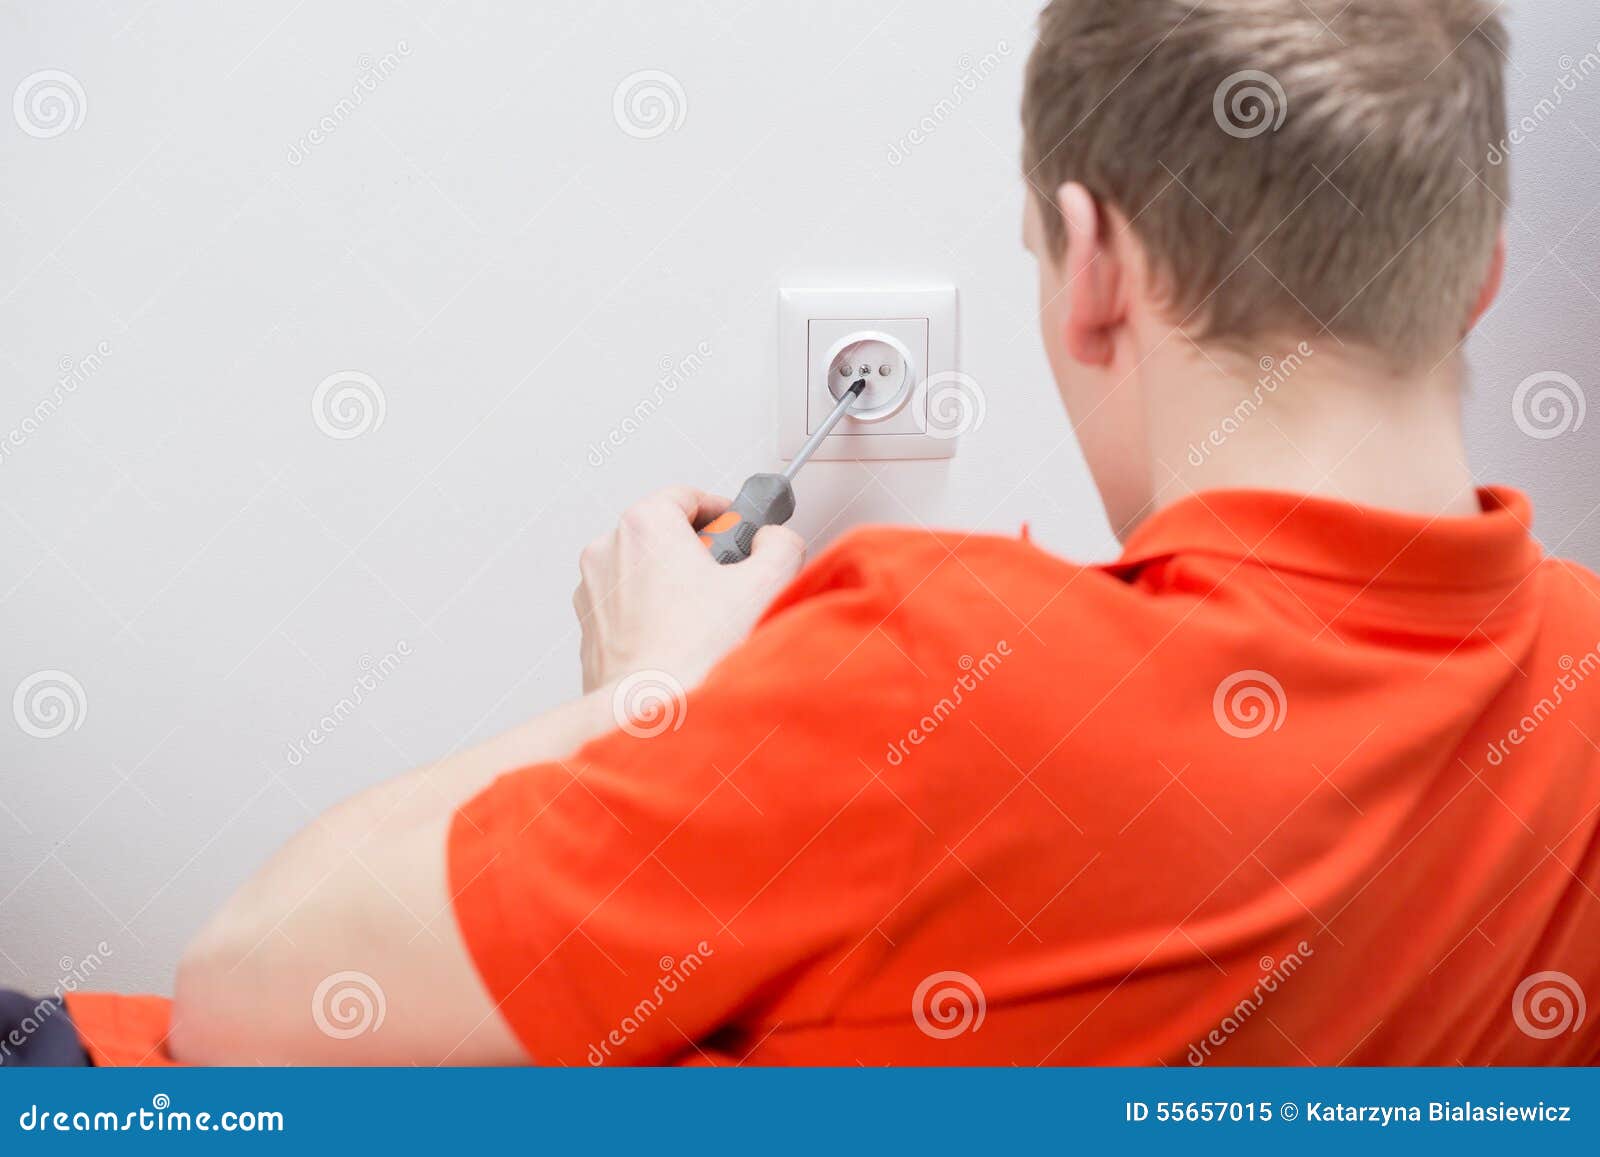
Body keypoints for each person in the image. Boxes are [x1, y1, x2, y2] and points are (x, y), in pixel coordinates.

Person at [24, 0, 1600, 1066]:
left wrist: (652, 689)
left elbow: (248, 1006)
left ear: (1091, 264)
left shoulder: (949, 672)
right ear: (1474, 277)